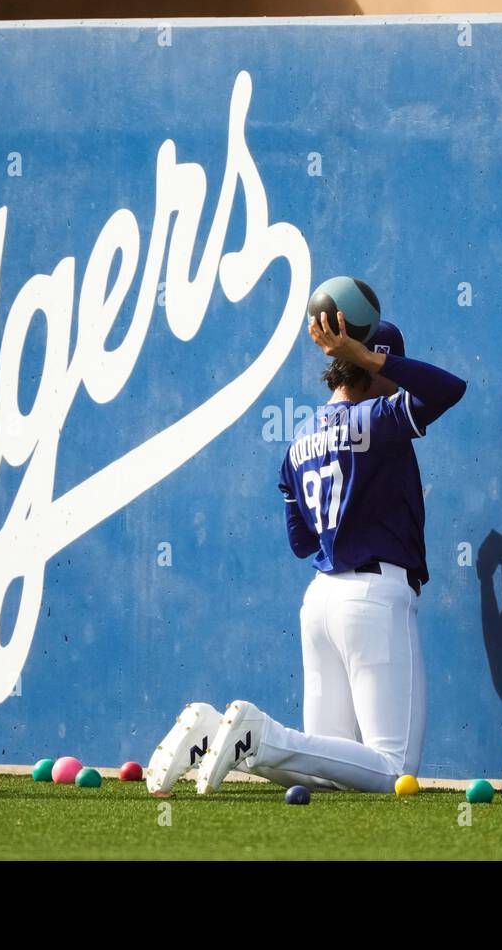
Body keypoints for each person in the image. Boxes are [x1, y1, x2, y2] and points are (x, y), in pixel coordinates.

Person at [145, 304, 466, 795]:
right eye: (388, 366)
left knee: (326, 772)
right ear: (370, 360)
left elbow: (301, 543)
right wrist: (373, 360)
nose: (396, 382)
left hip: (320, 600)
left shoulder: (298, 438)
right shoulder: (380, 417)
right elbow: (449, 389)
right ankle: (260, 735)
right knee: (393, 769)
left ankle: (214, 735)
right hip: (374, 597)